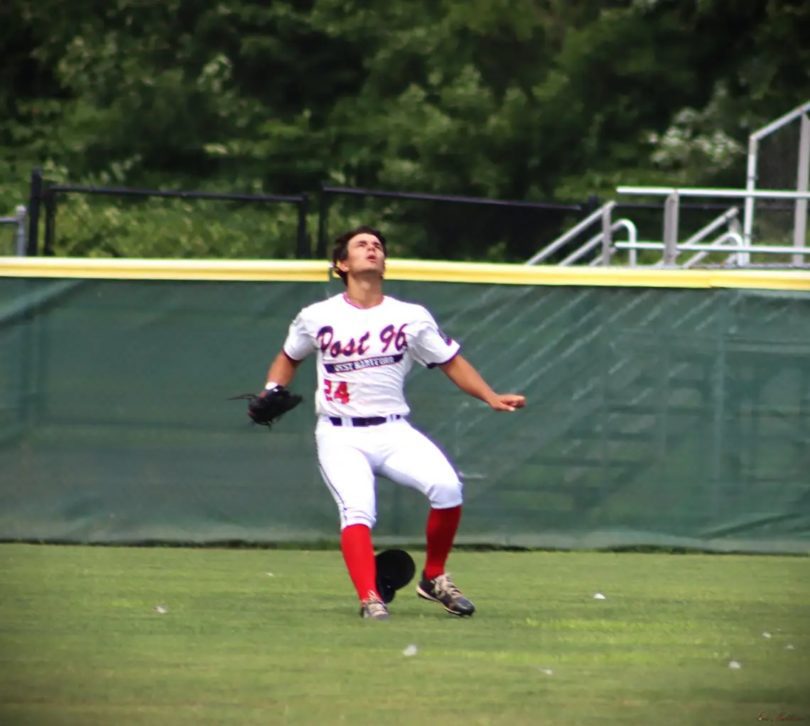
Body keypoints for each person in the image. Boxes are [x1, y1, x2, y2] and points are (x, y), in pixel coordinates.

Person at [260, 225, 525, 620]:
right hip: (340, 433)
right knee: (357, 511)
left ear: (384, 263)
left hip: (393, 429)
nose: (372, 249)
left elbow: (449, 361)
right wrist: (270, 389)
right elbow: (289, 357)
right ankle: (371, 598)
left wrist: (490, 395)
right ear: (341, 263)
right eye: (361, 245)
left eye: (377, 246)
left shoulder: (409, 317)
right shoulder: (316, 317)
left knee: (448, 487)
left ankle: (433, 578)